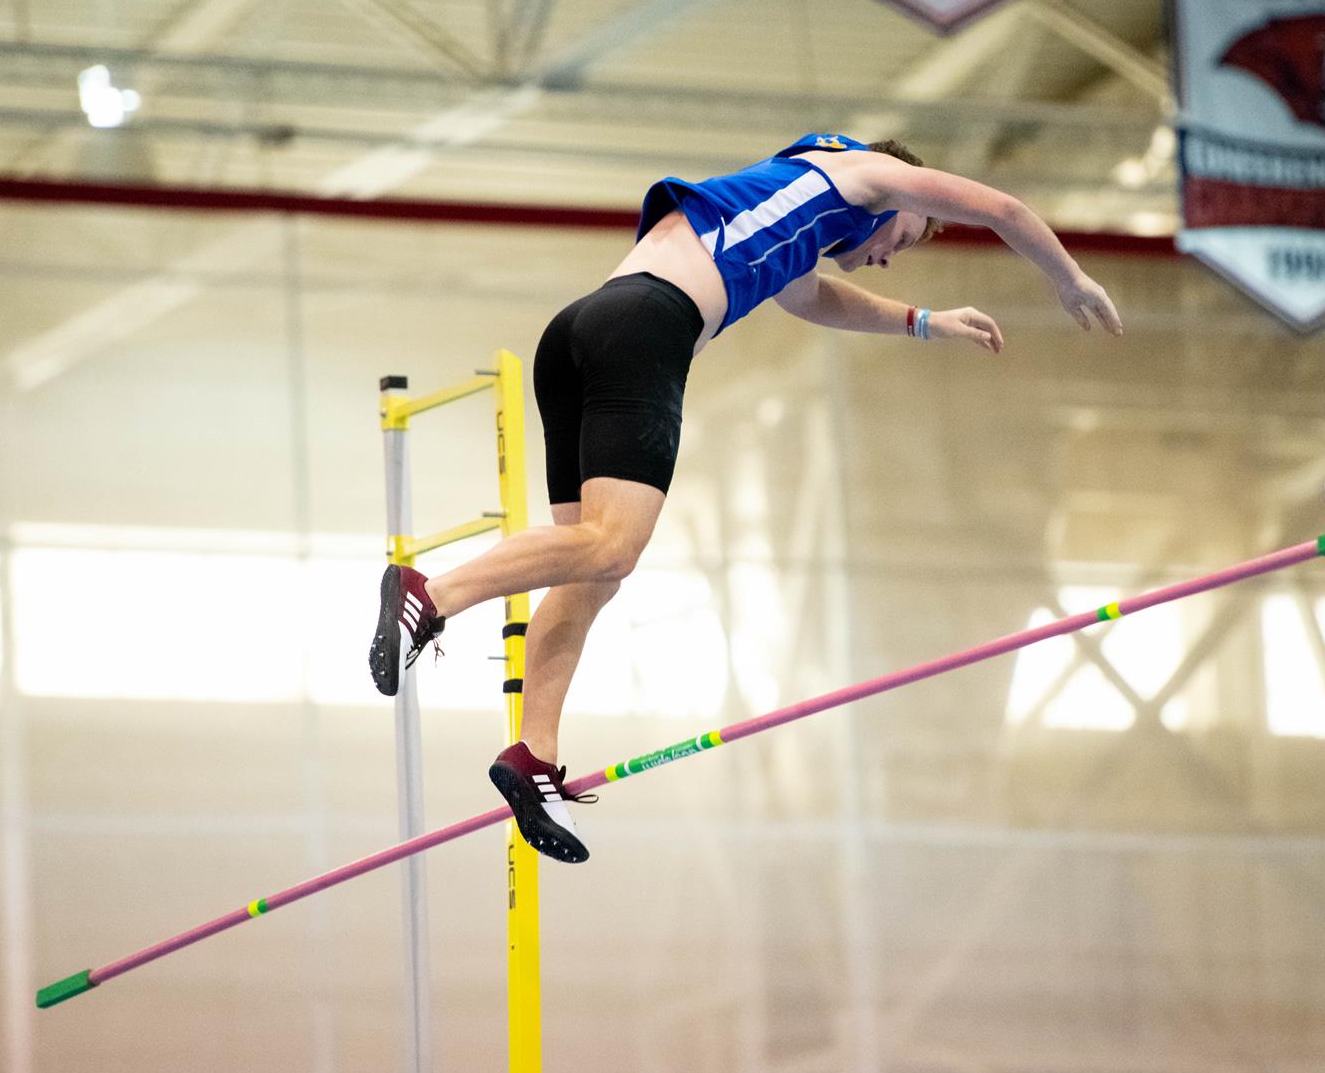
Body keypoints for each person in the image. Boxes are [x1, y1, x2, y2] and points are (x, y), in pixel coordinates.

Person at [369, 133, 1124, 863]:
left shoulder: (790, 199)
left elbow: (809, 299)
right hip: (646, 331)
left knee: (589, 574)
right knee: (613, 545)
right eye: (910, 235)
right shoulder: (864, 174)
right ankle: (430, 592)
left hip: (579, 332)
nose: (896, 252)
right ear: (896, 188)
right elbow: (1001, 208)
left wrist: (920, 321)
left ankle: (533, 755)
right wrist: (1069, 278)